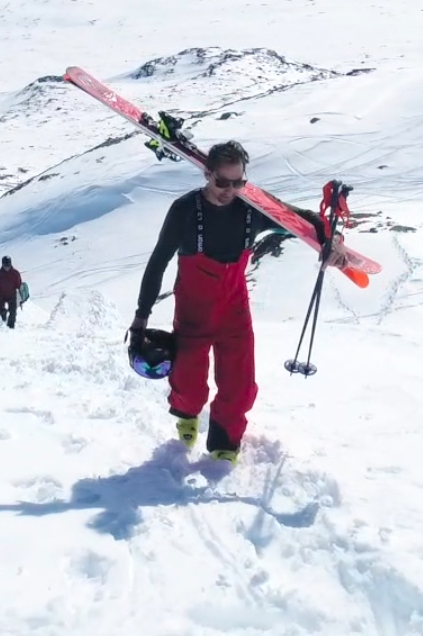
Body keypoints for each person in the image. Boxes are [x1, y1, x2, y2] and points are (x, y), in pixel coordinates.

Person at [128, 140, 338, 464]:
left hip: (234, 312)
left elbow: (299, 220)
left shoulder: (252, 209)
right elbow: (158, 263)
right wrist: (141, 318)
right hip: (192, 313)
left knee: (239, 384)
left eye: (238, 182)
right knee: (188, 380)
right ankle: (187, 415)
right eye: (221, 182)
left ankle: (226, 442)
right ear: (207, 174)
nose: (229, 190)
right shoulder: (184, 211)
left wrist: (329, 236)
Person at [0, 255, 23, 329]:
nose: (7, 268)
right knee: (0, 310)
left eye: (8, 265)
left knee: (13, 311)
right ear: (2, 264)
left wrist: (21, 295)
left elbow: (19, 285)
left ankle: (10, 327)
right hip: (1, 295)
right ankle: (3, 321)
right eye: (5, 266)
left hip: (12, 295)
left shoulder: (15, 273)